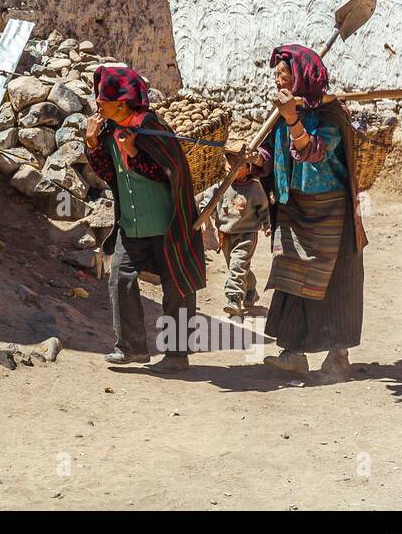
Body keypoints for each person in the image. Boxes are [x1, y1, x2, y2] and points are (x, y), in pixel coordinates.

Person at [250, 44, 367, 383]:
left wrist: (292, 120)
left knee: (333, 285)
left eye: (283, 75)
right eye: (275, 76)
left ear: (300, 78)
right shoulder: (282, 113)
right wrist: (254, 161)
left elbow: (314, 151)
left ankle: (338, 357)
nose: (277, 81)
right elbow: (272, 155)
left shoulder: (332, 115)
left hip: (331, 212)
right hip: (294, 207)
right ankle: (293, 355)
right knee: (291, 279)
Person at [84, 66, 207, 372]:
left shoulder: (153, 127)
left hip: (168, 224)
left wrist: (135, 151)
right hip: (131, 224)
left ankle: (177, 355)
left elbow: (169, 172)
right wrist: (91, 144)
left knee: (176, 289)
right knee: (119, 281)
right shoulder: (110, 130)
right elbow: (109, 173)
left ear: (122, 103)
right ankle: (131, 348)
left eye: (104, 99)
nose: (98, 104)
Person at [215, 147, 271, 317]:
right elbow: (207, 200)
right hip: (226, 234)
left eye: (236, 163)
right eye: (228, 161)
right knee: (237, 267)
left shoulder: (254, 188)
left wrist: (267, 224)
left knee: (237, 265)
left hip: (247, 234)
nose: (230, 166)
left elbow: (263, 208)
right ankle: (251, 289)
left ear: (248, 168)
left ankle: (233, 298)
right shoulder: (222, 184)